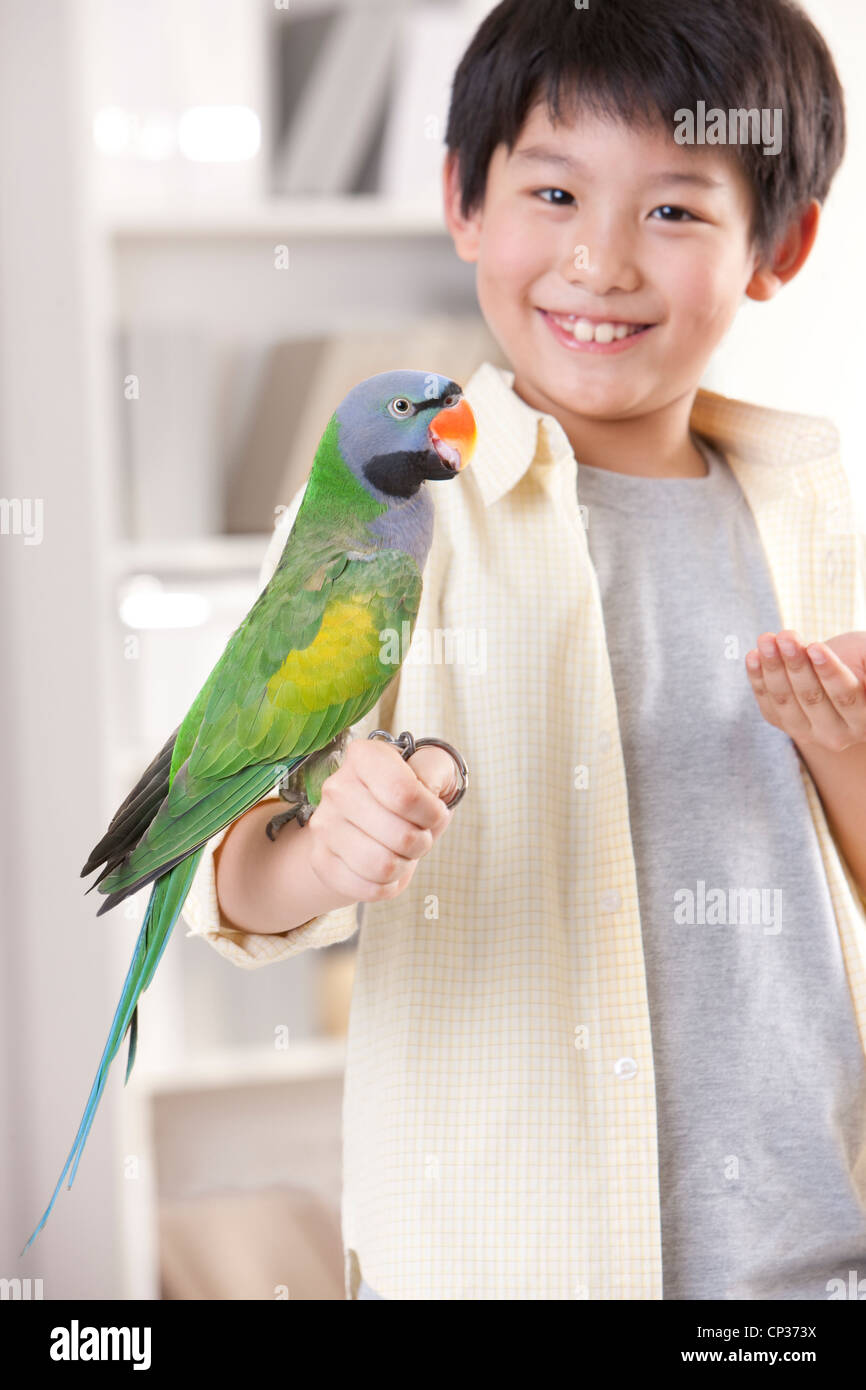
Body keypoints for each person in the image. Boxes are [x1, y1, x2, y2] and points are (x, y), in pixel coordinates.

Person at [181, 0, 866, 1299]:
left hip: (811, 1258)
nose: (598, 261)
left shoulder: (818, 518)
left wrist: (844, 756)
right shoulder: (388, 515)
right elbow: (230, 881)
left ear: (780, 245)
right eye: (552, 191)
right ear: (464, 204)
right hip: (508, 1268)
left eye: (672, 209)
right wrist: (321, 845)